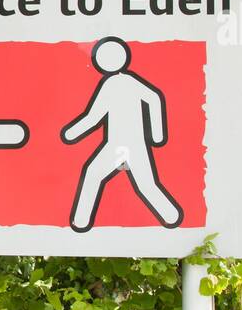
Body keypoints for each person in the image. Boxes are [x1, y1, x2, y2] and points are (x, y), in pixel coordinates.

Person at [61, 37, 183, 232]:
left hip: (119, 146)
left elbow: (94, 117)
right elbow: (153, 99)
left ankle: (81, 221)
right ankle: (172, 216)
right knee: (145, 185)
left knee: (94, 175)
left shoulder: (112, 84)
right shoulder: (130, 81)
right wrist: (156, 134)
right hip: (131, 145)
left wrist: (70, 133)